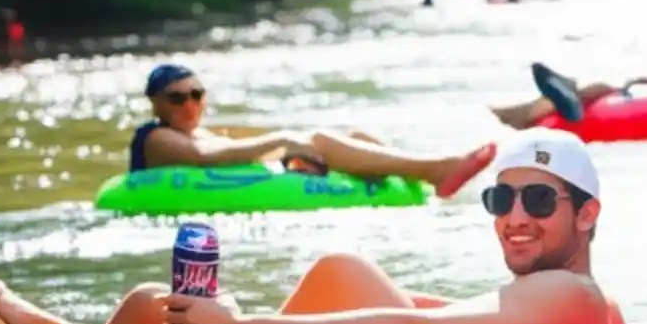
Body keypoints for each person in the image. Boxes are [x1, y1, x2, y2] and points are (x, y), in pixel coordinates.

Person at [0, 128, 624, 324]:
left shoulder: (571, 294)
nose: (514, 217)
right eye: (500, 200)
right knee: (172, 308)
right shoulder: (572, 300)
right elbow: (458, 314)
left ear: (586, 214)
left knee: (153, 304)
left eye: (538, 202)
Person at [130, 63, 494, 198]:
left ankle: (424, 173)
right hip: (173, 194)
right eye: (177, 97)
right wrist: (283, 139)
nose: (190, 104)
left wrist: (287, 146)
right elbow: (206, 158)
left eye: (196, 94)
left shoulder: (199, 131)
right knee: (318, 140)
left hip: (248, 178)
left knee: (357, 137)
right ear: (155, 102)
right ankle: (436, 169)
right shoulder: (155, 138)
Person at [491, 30, 647, 128]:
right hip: (628, 97)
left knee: (610, 86)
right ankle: (560, 96)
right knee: (607, 85)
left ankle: (513, 115)